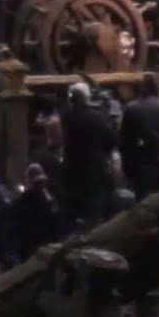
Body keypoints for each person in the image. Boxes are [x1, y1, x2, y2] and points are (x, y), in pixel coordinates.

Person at [61, 82, 117, 227]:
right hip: (93, 172)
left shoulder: (65, 117)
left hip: (71, 171)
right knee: (94, 212)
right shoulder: (95, 118)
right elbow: (111, 140)